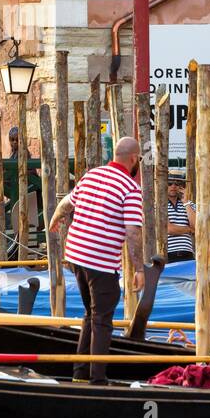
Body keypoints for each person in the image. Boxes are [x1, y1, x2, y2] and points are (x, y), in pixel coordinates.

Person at [49, 136, 145, 384]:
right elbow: (133, 232)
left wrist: (54, 220)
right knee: (102, 319)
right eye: (140, 159)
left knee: (90, 315)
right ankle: (97, 379)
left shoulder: (91, 176)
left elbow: (66, 204)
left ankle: (80, 374)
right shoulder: (130, 188)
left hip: (76, 257)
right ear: (134, 159)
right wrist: (139, 269)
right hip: (100, 262)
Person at [164, 172, 196, 263]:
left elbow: (197, 227)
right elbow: (169, 229)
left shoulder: (189, 204)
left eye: (177, 183)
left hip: (188, 253)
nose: (173, 186)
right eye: (170, 183)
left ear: (181, 187)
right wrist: (190, 229)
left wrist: (185, 202)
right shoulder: (158, 205)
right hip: (167, 254)